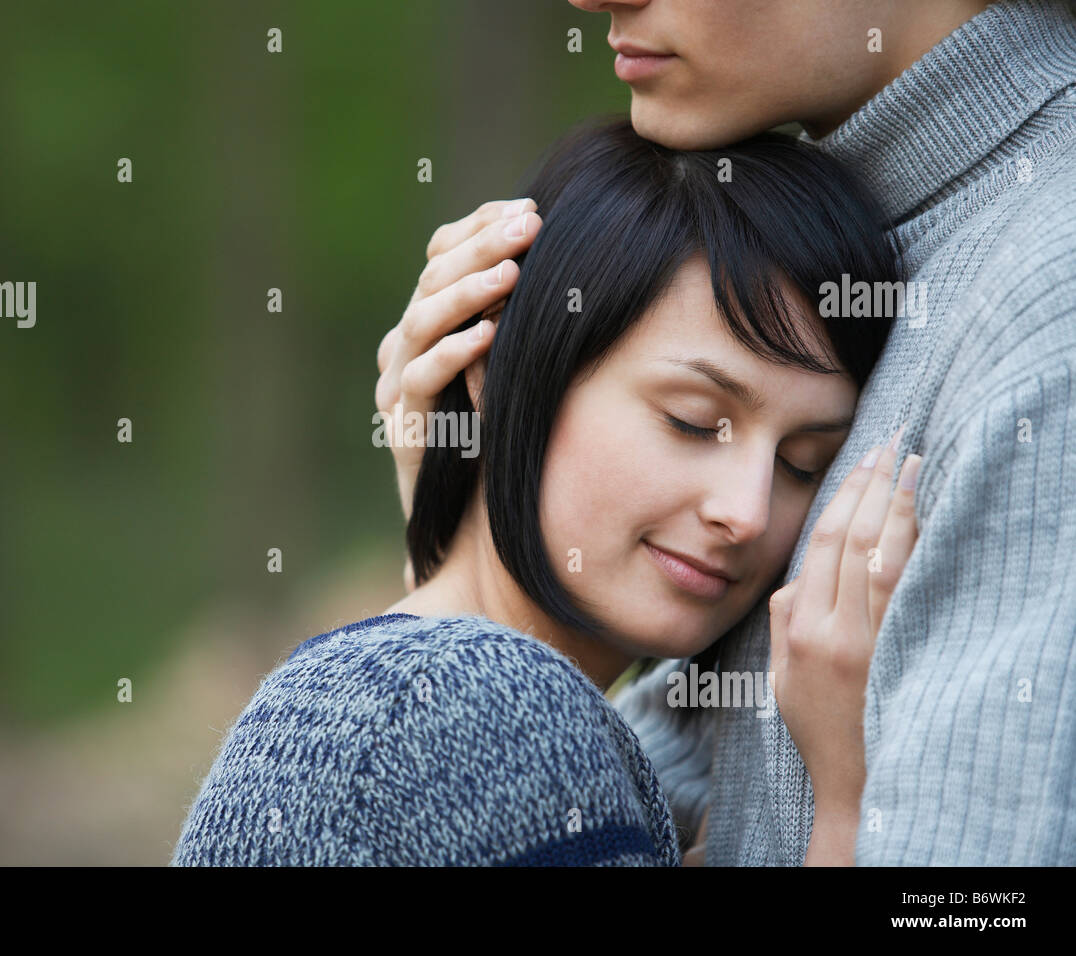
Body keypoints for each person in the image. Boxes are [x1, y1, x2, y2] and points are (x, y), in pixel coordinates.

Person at [376, 0, 1076, 864]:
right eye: (690, 421)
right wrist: (465, 546)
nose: (591, 0)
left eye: (806, 465)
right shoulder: (859, 239)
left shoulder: (1047, 308)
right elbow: (599, 791)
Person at [172, 120, 918, 865]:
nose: (747, 513)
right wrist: (846, 801)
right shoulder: (490, 708)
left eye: (803, 464)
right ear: (498, 370)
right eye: (692, 422)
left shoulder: (398, 691)